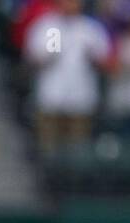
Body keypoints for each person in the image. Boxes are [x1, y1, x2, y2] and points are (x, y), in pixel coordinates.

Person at [24, 0, 111, 151]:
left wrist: (93, 58)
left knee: (78, 148)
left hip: (81, 98)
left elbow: (105, 59)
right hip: (51, 97)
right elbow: (33, 57)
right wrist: (49, 54)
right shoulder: (49, 26)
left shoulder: (89, 28)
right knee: (49, 148)